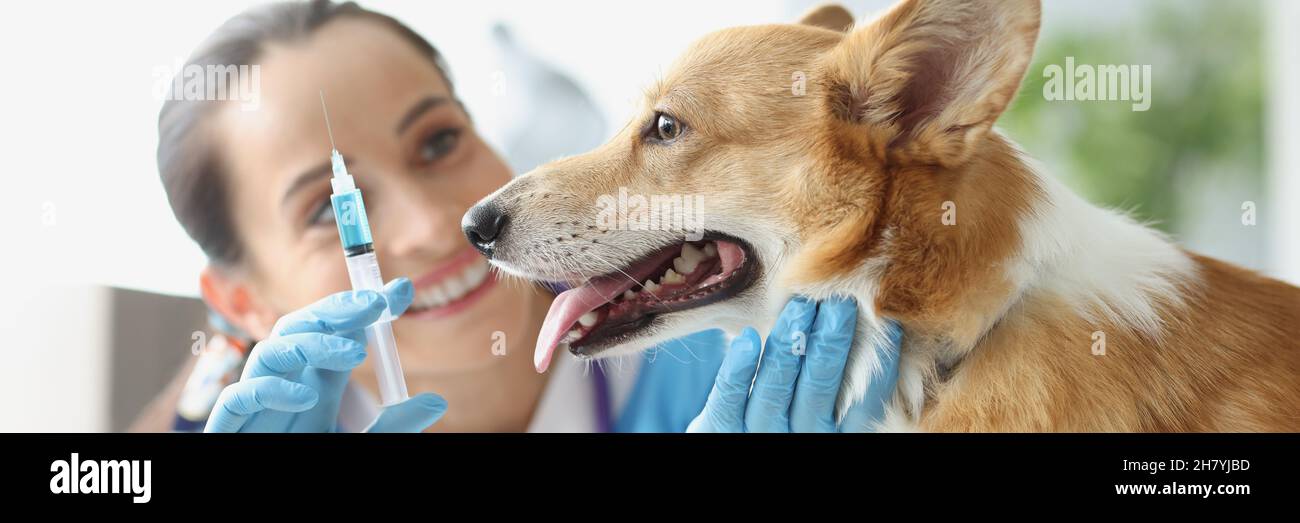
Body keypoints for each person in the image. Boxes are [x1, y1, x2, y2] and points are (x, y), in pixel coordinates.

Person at [149, 0, 900, 433]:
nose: (434, 223)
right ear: (242, 302)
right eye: (328, 209)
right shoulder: (241, 415)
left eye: (439, 140)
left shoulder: (748, 351)